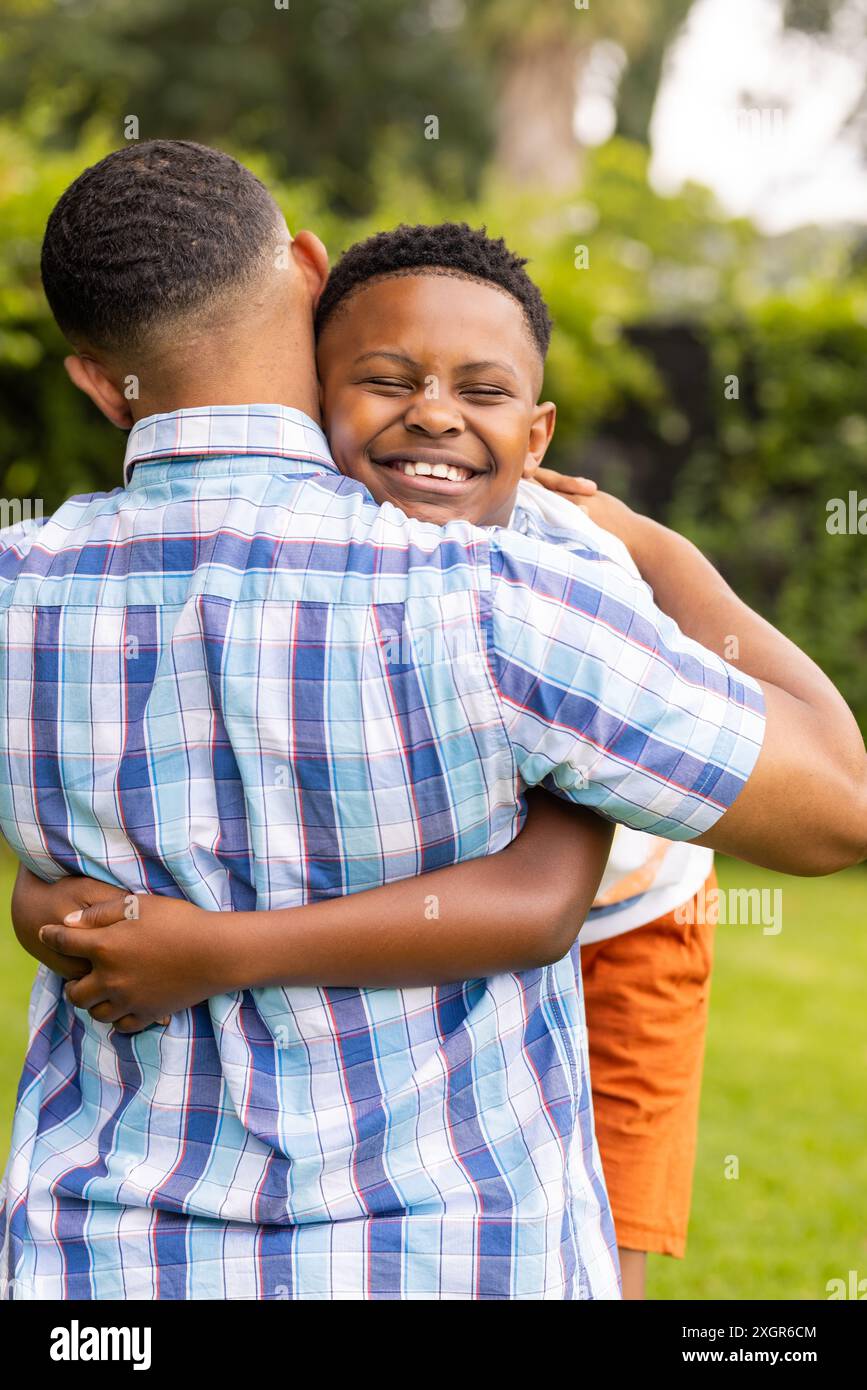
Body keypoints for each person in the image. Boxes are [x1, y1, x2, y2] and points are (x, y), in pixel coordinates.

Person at [1, 143, 864, 1302]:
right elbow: (838, 808)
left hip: (103, 1266)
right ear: (311, 272)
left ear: (99, 384)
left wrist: (40, 896)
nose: (435, 415)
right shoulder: (503, 588)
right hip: (452, 1251)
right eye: (395, 376)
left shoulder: (21, 589)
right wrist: (662, 556)